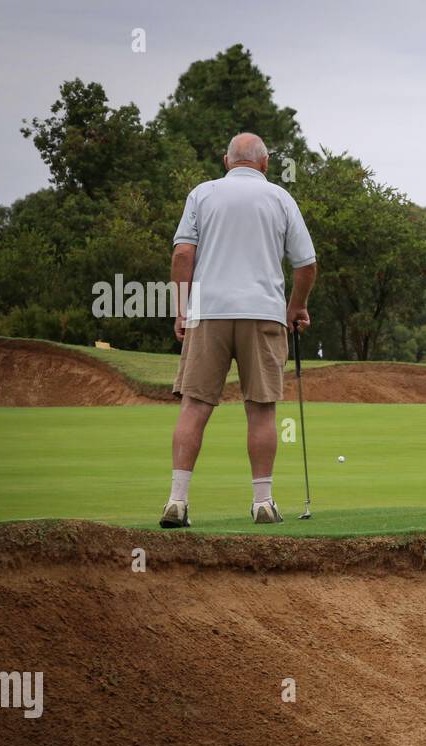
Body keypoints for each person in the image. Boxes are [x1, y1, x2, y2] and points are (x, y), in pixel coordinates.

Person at [159, 132, 317, 528]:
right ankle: (262, 503)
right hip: (262, 313)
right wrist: (295, 306)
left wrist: (181, 310)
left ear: (226, 161)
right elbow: (307, 265)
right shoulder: (281, 198)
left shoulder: (203, 194)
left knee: (194, 405)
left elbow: (182, 254)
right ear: (264, 164)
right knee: (261, 410)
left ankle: (177, 501)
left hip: (208, 312)